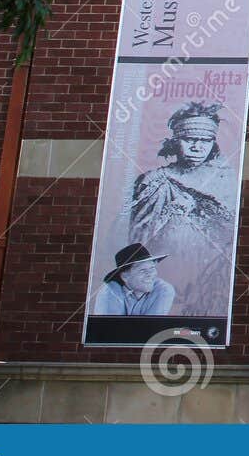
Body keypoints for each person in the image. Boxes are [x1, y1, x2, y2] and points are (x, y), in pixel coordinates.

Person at [128, 101, 237, 316]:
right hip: (167, 271)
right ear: (176, 141)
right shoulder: (155, 181)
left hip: (212, 274)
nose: (198, 147)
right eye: (189, 140)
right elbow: (137, 236)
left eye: (205, 141)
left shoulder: (227, 179)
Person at [93, 243, 176, 315]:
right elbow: (109, 330)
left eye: (152, 268)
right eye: (143, 270)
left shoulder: (163, 290)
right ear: (124, 276)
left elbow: (152, 326)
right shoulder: (109, 293)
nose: (150, 275)